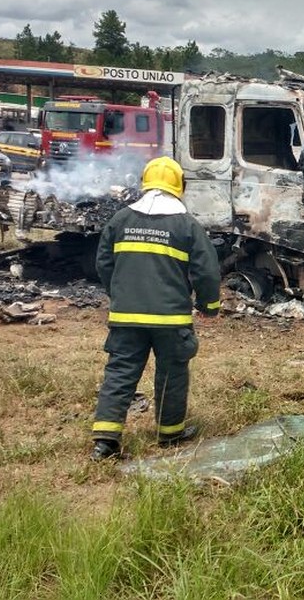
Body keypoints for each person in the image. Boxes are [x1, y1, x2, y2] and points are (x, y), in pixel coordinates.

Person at [89, 156, 222, 460]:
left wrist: (119, 295)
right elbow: (207, 272)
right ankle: (169, 433)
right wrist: (208, 307)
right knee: (172, 372)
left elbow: (104, 264)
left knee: (120, 372)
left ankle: (106, 440)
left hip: (125, 317)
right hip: (171, 319)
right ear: (180, 186)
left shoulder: (120, 220)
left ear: (144, 183)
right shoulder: (187, 225)